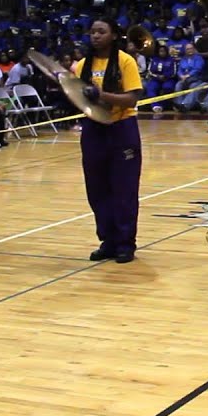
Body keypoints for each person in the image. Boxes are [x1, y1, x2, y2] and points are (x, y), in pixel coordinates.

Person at [73, 18, 145, 264]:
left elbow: (131, 99)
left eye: (101, 32)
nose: (95, 36)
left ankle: (125, 242)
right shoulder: (82, 65)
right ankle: (108, 240)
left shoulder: (126, 61)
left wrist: (102, 95)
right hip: (93, 129)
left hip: (121, 128)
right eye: (93, 32)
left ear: (113, 35)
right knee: (97, 189)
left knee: (124, 189)